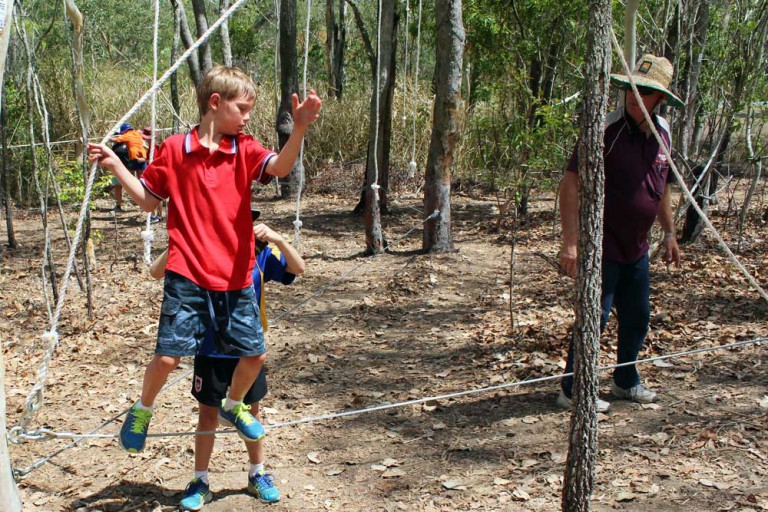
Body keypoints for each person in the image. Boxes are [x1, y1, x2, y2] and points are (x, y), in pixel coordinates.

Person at [88, 65, 322, 454]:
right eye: (242, 109)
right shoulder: (174, 149)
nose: (247, 118)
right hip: (187, 272)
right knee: (167, 359)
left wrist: (298, 129)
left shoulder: (244, 148)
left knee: (254, 355)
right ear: (215, 102)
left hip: (235, 275)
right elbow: (148, 201)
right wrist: (115, 164)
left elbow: (280, 168)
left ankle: (234, 405)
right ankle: (142, 410)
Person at [149, 213, 305, 510]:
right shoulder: (198, 252)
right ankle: (200, 482)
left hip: (247, 352)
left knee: (251, 413)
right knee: (208, 415)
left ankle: (257, 475)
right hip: (209, 348)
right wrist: (180, 240)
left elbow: (297, 268)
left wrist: (279, 239)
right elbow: (156, 272)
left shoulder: (258, 253)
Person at [557, 54, 684, 412]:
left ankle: (625, 380)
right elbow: (570, 184)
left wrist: (669, 233)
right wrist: (571, 243)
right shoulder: (604, 129)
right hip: (602, 245)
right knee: (594, 317)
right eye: (631, 88)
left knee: (638, 316)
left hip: (638, 248)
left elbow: (662, 186)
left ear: (660, 99)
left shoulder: (663, 133)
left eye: (645, 91)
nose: (634, 96)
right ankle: (572, 389)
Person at [111, 123, 148, 212]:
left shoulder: (128, 137)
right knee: (119, 186)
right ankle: (118, 205)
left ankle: (143, 204)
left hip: (134, 163)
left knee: (141, 182)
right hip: (122, 168)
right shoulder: (116, 146)